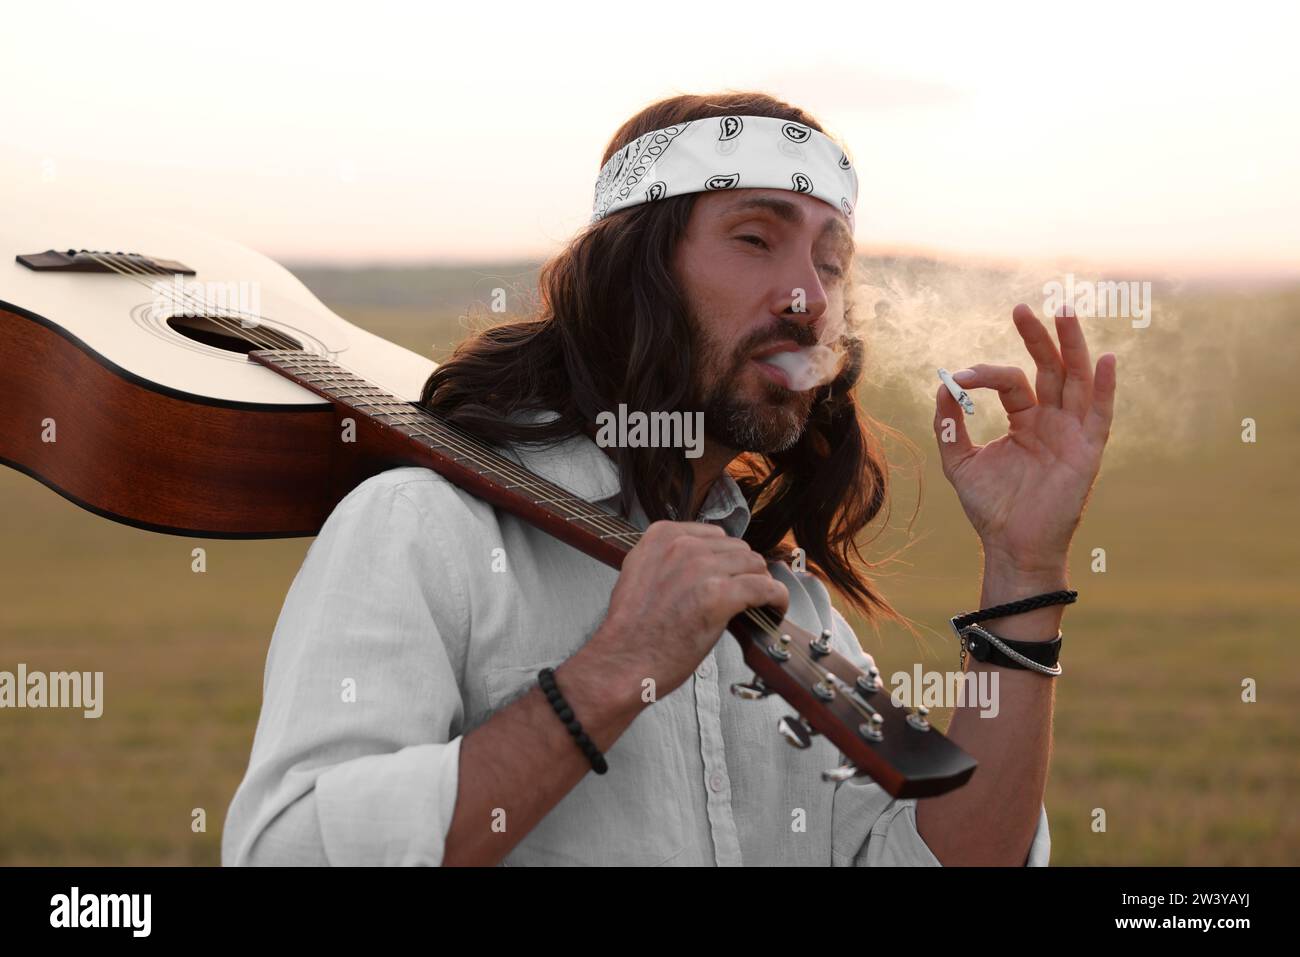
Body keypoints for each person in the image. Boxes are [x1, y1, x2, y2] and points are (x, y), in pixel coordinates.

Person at [222, 91, 1116, 867]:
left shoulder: (787, 605)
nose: (807, 296)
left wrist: (1025, 571)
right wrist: (618, 667)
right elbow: (283, 851)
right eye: (756, 238)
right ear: (632, 274)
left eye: (831, 262)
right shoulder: (424, 530)